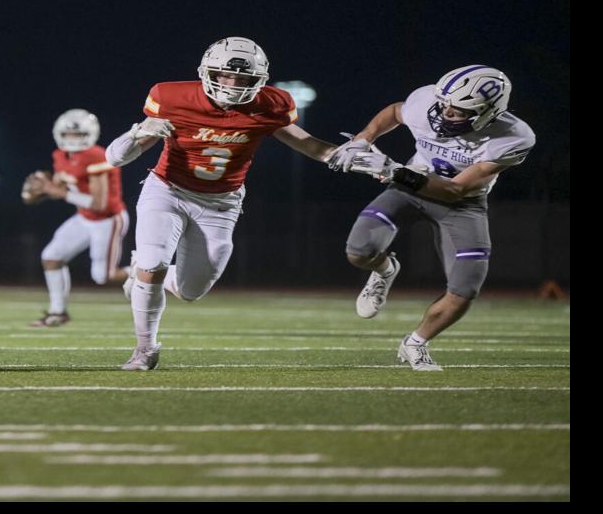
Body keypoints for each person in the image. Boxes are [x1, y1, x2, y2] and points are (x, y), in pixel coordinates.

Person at [104, 36, 338, 370]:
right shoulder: (170, 97)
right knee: (153, 263)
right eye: (226, 75)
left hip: (221, 203)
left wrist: (346, 154)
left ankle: (141, 277)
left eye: (244, 78)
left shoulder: (271, 104)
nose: (233, 84)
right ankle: (145, 349)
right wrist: (139, 130)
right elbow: (114, 158)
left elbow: (311, 146)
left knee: (191, 291)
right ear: (206, 72)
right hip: (167, 190)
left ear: (259, 80)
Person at [327, 65, 535, 371]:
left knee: (465, 289)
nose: (444, 114)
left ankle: (415, 343)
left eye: (458, 111)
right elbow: (396, 112)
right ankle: (385, 270)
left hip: (462, 204)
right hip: (408, 190)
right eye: (444, 105)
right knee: (359, 252)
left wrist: (393, 171)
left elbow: (455, 190)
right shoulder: (427, 102)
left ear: (488, 112)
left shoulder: (513, 137)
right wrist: (362, 139)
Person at [22, 109, 129, 328]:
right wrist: (41, 189)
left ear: (90, 134)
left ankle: (144, 271)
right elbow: (62, 183)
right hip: (84, 218)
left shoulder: (97, 156)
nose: (73, 140)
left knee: (103, 276)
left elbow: (99, 204)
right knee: (51, 256)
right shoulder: (60, 155)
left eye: (78, 135)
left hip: (107, 220)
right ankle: (57, 313)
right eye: (69, 135)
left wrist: (59, 192)